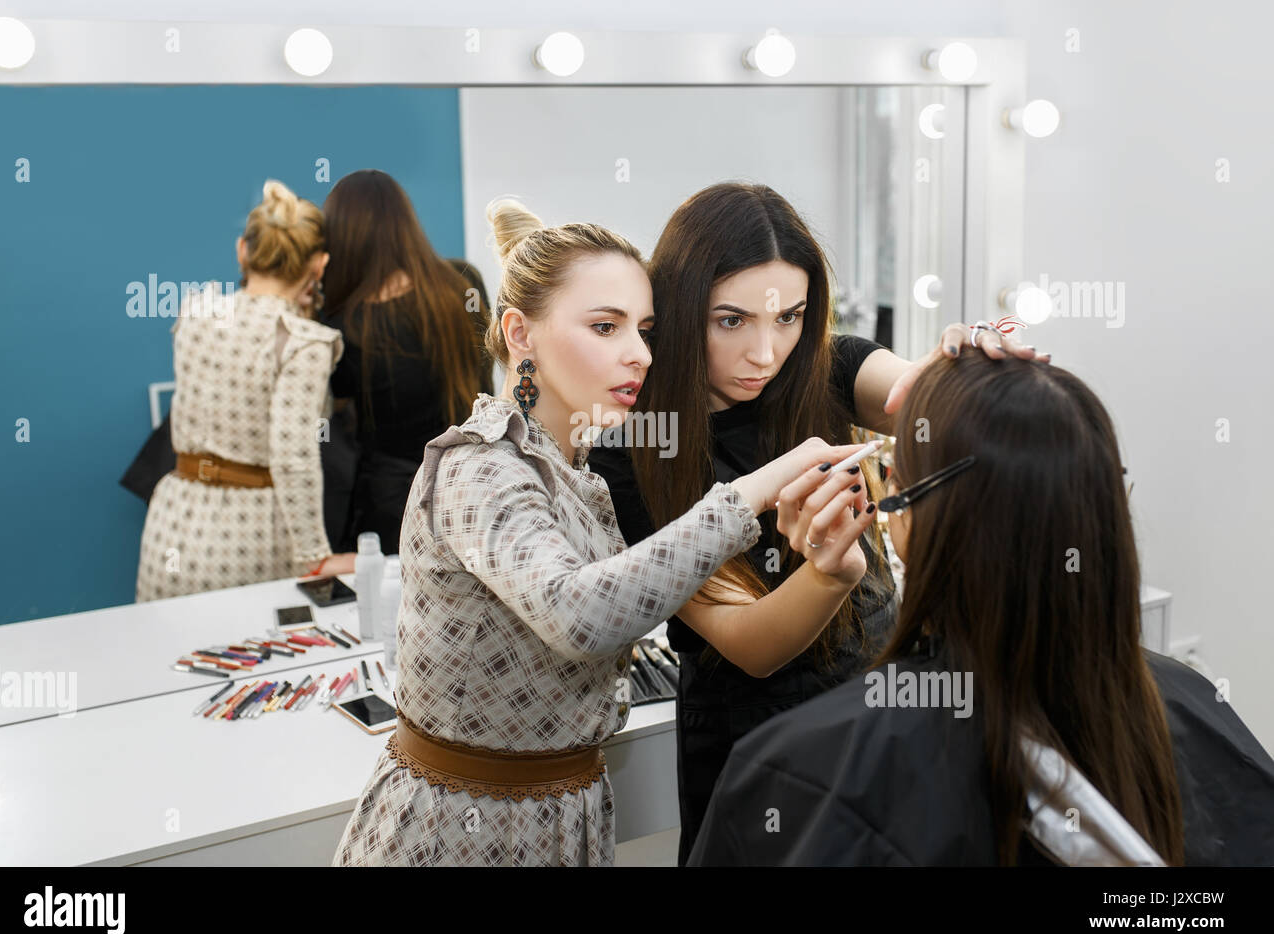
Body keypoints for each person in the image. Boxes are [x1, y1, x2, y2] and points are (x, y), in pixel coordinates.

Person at [332, 197, 864, 866]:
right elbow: (579, 614)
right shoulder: (479, 466)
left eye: (645, 329)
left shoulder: (577, 470)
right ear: (520, 334)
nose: (640, 353)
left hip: (564, 814)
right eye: (605, 327)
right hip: (462, 830)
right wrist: (751, 493)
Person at [587, 181, 1048, 864]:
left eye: (790, 316)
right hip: (753, 739)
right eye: (731, 321)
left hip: (882, 699)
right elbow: (749, 643)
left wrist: (963, 371)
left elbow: (924, 403)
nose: (766, 354)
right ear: (683, 309)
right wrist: (830, 573)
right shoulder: (635, 445)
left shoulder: (832, 367)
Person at [688, 349, 1274, 865]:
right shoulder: (1193, 701)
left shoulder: (802, 772)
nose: (762, 351)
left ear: (912, 521)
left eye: (895, 477)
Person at [136, 180, 355, 602]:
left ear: (243, 251)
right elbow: (293, 455)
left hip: (174, 521)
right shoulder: (304, 341)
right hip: (251, 533)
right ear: (319, 265)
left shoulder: (196, 311)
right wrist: (315, 556)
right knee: (255, 661)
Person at [319, 170, 491, 554]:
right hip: (471, 488)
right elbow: (485, 389)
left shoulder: (342, 325)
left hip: (394, 506)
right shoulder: (464, 282)